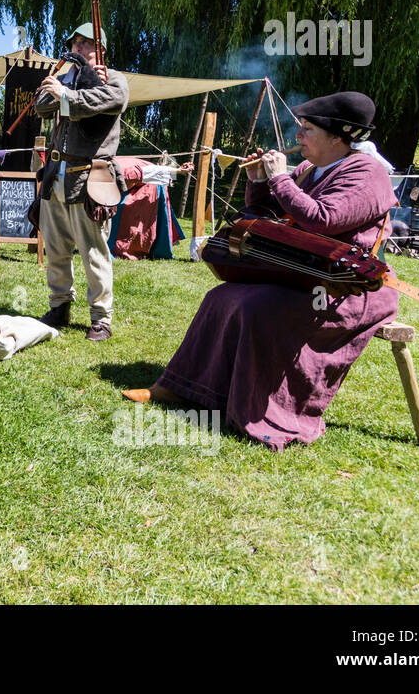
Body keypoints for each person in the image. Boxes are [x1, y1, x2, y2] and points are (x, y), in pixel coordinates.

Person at [124, 91, 401, 451]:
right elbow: (272, 217)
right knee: (220, 297)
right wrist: (259, 182)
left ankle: (257, 410)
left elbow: (323, 220)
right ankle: (179, 387)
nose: (298, 135)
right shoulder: (308, 169)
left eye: (307, 129)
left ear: (337, 136)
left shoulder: (368, 172)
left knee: (258, 308)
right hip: (305, 274)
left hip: (347, 287)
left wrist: (279, 179)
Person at [32, 22, 129, 340]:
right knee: (56, 248)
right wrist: (56, 86)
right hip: (55, 177)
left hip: (90, 179)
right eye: (75, 43)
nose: (78, 49)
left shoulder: (114, 80)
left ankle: (101, 318)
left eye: (86, 44)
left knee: (94, 252)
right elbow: (42, 106)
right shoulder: (66, 78)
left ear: (100, 50)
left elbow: (101, 103)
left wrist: (67, 93)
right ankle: (59, 304)